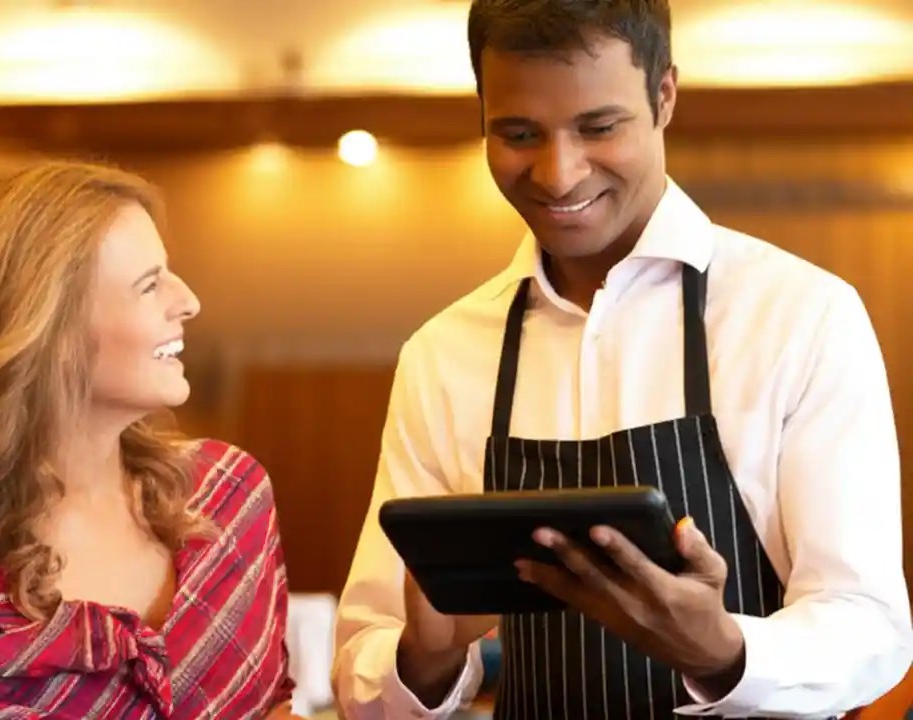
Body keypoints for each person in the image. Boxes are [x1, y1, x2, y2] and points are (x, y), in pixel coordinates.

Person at [332, 1, 913, 718]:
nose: (558, 173)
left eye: (599, 128)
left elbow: (869, 625)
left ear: (664, 95)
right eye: (518, 134)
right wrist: (424, 657)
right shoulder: (442, 355)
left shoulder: (800, 316)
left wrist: (724, 649)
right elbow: (363, 668)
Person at [0, 160, 301, 719]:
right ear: (47, 331)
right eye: (149, 284)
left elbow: (274, 704)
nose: (188, 301)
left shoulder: (230, 496)